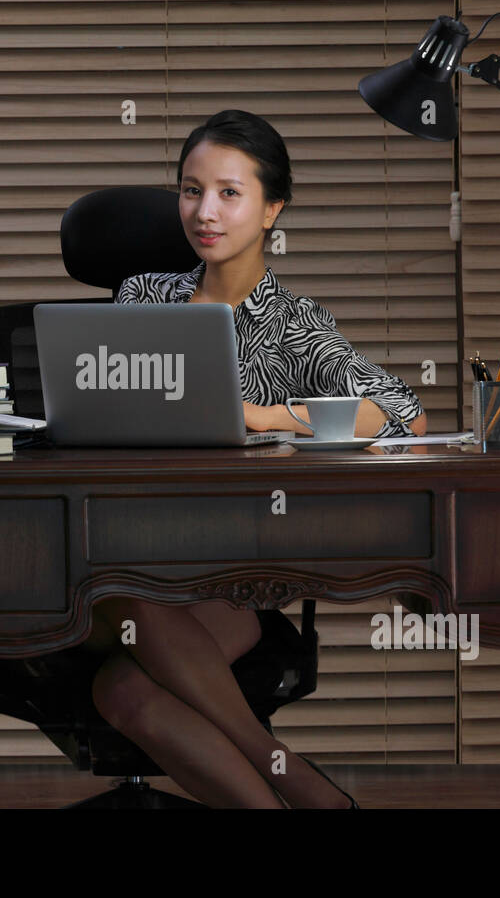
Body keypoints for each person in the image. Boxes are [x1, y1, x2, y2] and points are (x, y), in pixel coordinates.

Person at [81, 110, 427, 808]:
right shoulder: (141, 299)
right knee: (125, 599)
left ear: (272, 209)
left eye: (229, 193)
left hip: (229, 578)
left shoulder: (294, 325)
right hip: (126, 562)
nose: (204, 212)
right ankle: (296, 781)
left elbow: (403, 412)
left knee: (119, 687)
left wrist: (267, 415)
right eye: (190, 190)